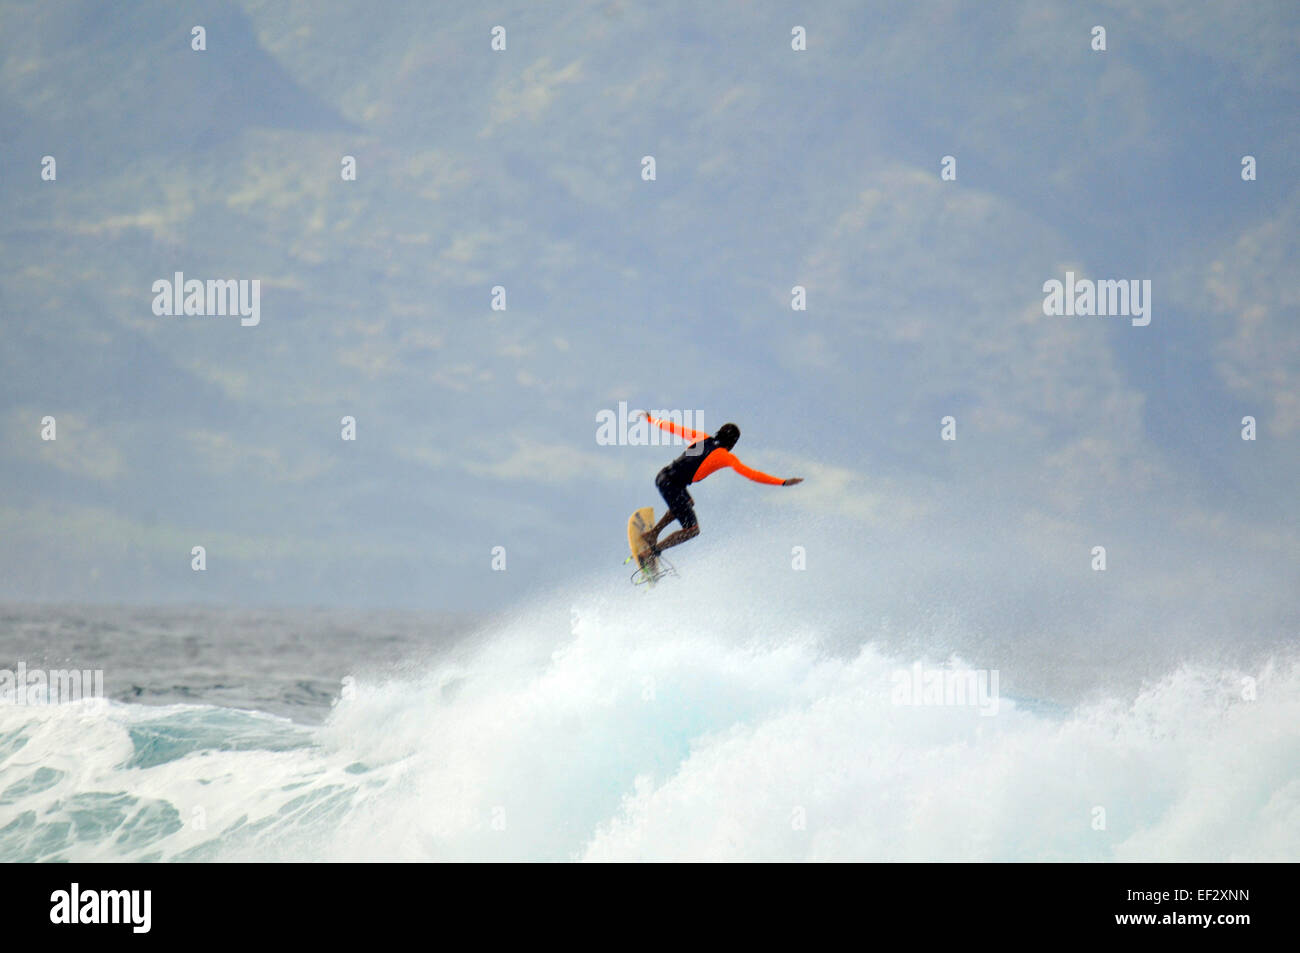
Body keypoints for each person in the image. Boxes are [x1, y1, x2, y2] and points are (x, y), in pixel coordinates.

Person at [633, 411, 803, 561]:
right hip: (672, 486)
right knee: (692, 530)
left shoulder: (702, 437)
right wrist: (782, 482)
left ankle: (653, 534)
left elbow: (673, 428)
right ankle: (652, 552)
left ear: (719, 432)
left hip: (663, 477)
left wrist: (650, 419)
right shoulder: (725, 456)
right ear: (733, 444)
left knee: (687, 503)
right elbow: (752, 474)